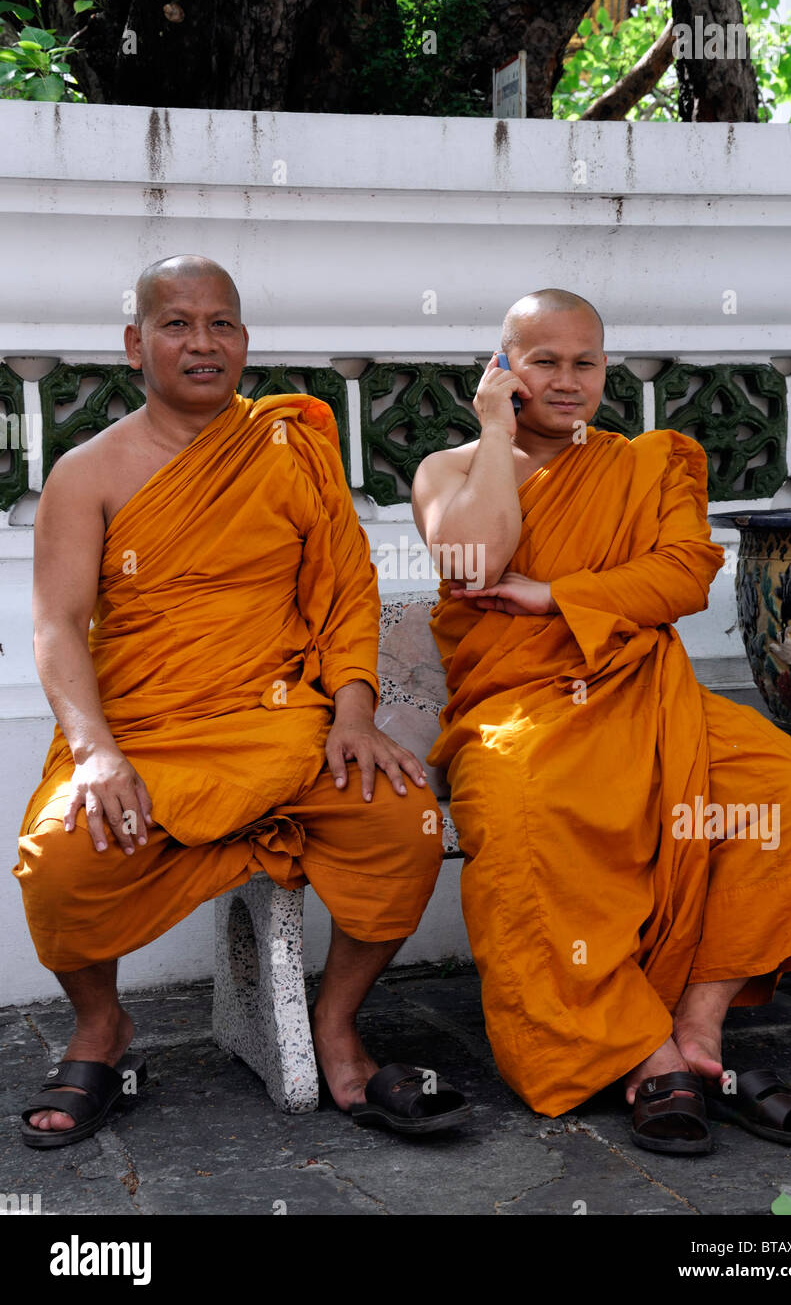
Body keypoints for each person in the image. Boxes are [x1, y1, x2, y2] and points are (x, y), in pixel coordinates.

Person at [16, 255, 468, 1147]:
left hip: (287, 725)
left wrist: (351, 713)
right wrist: (96, 751)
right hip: (147, 733)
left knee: (403, 821)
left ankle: (336, 1024)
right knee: (63, 859)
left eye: (220, 323)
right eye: (176, 323)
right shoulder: (88, 472)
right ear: (134, 343)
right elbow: (59, 627)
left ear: (244, 343)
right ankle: (102, 1028)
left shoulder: (290, 447)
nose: (201, 342)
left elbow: (344, 592)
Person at [411, 288, 791, 1154]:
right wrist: (496, 434)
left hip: (644, 691)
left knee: (781, 786)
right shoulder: (450, 469)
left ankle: (700, 1030)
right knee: (524, 814)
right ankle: (638, 1053)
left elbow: (683, 574)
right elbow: (471, 559)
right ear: (502, 370)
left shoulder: (650, 461)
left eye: (585, 363)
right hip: (519, 708)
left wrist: (557, 596)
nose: (566, 382)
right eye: (542, 362)